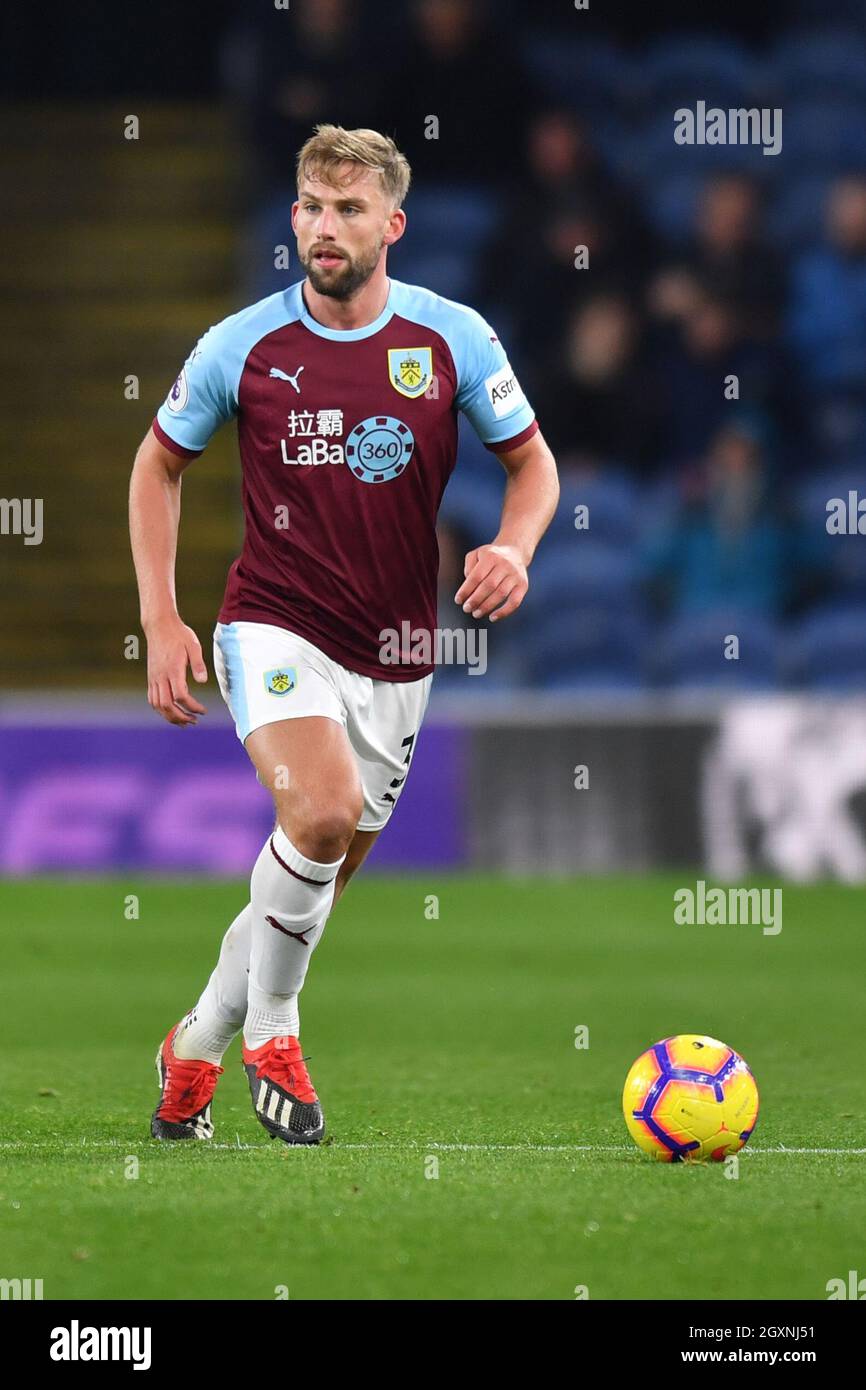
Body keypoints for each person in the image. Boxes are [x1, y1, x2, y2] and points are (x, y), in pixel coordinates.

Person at [129, 125, 559, 1145]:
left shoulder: (449, 339)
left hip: (400, 655)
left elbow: (532, 465)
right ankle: (273, 1032)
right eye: (311, 209)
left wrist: (515, 546)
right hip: (271, 627)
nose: (326, 228)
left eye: (349, 210)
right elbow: (157, 466)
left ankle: (194, 1041)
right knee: (319, 814)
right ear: (293, 219)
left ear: (391, 226)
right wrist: (158, 616)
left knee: (309, 872)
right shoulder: (241, 345)